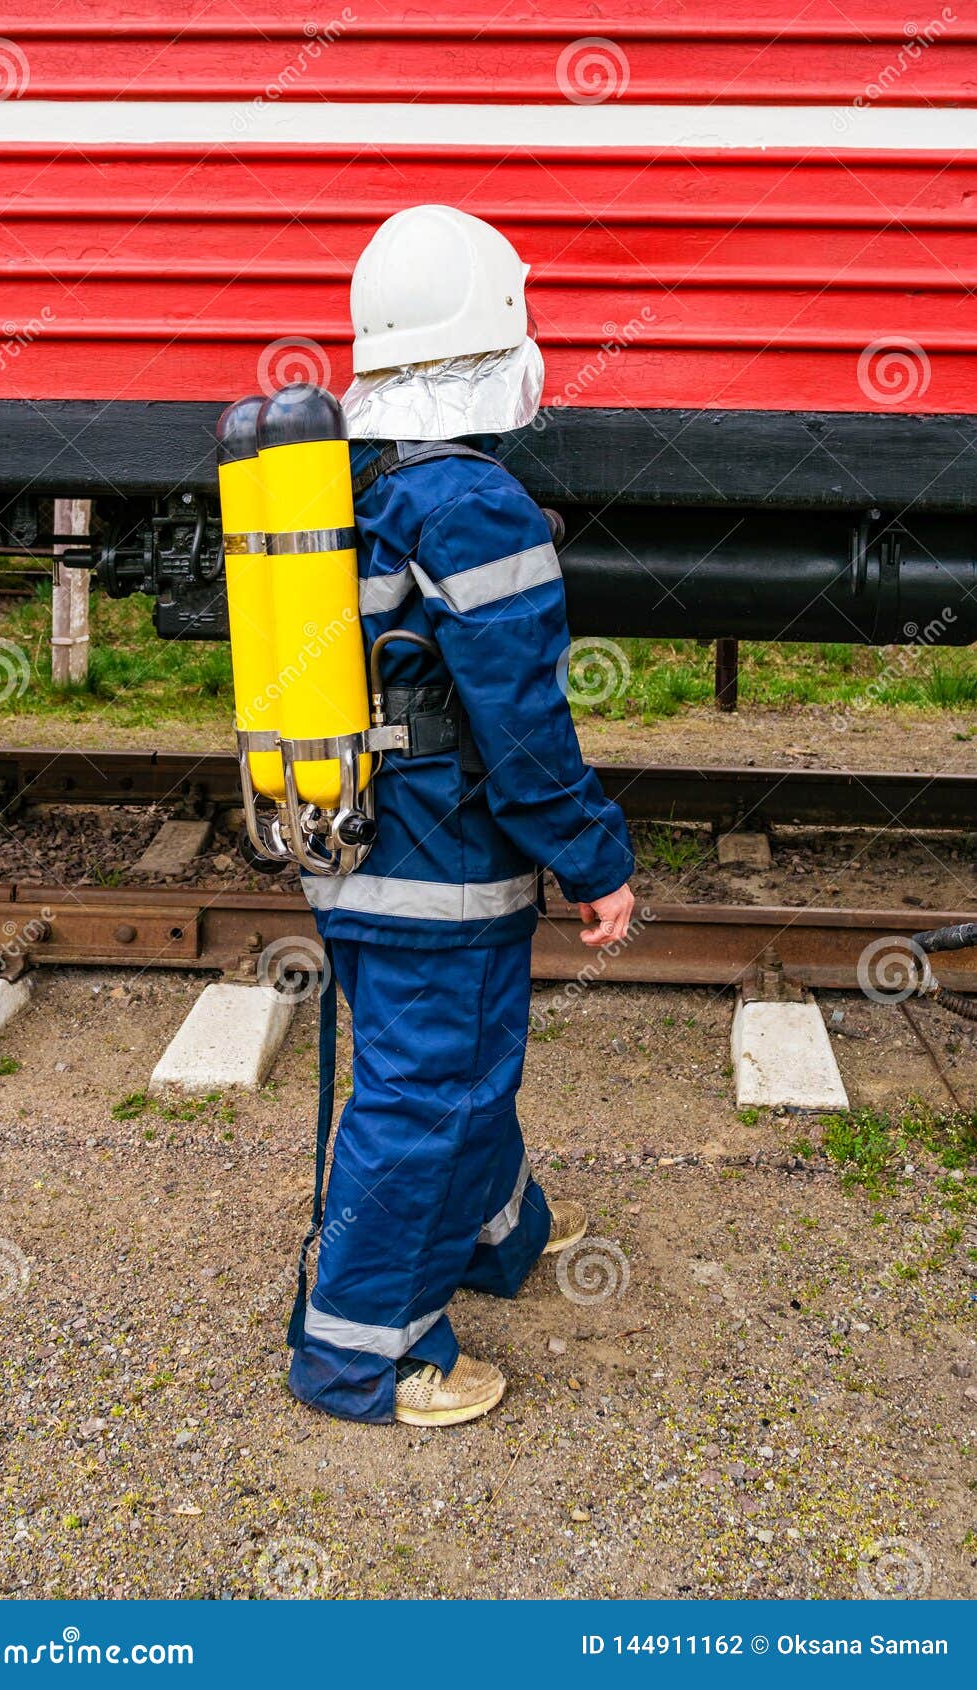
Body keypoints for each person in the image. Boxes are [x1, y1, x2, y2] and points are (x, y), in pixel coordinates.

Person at [287, 204, 635, 1426]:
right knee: (429, 1090)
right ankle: (358, 1355)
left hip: (364, 848)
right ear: (499, 337)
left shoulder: (370, 490)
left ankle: (496, 1235)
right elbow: (525, 726)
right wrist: (595, 859)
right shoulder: (477, 506)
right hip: (438, 874)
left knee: (455, 1067)